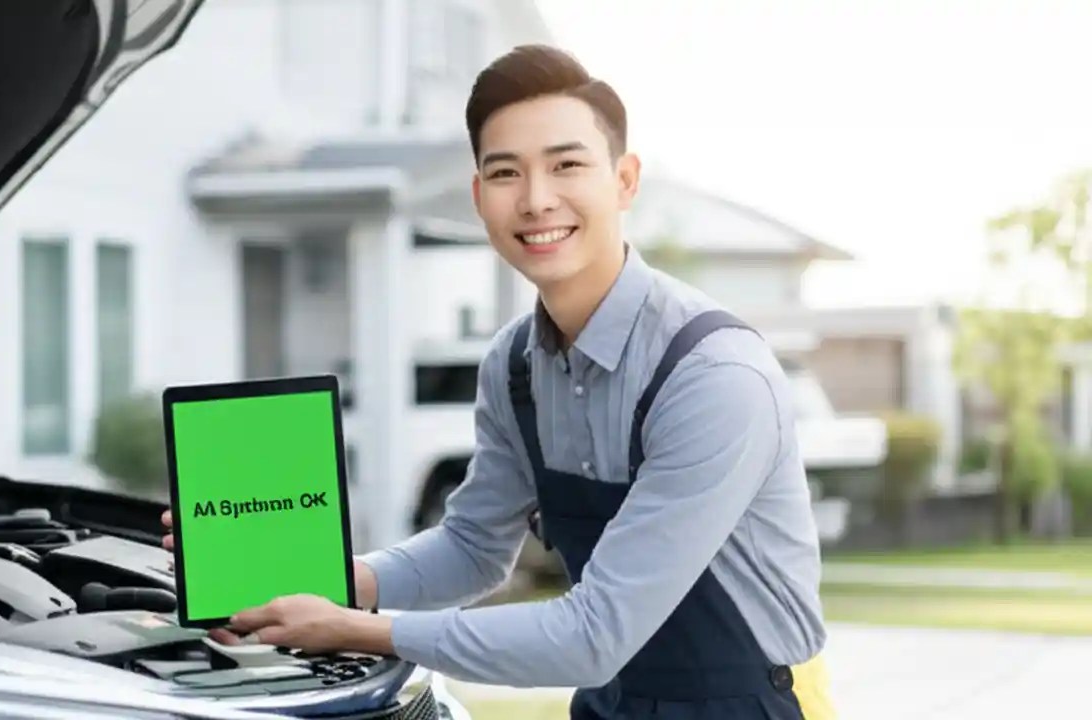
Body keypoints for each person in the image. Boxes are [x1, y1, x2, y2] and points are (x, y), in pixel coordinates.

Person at [162, 43, 836, 719]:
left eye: (567, 165)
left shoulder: (712, 375)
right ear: (480, 196)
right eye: (507, 173)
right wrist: (315, 583)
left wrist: (355, 628)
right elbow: (472, 548)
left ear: (625, 181)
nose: (537, 200)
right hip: (616, 701)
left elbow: (594, 634)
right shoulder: (515, 366)